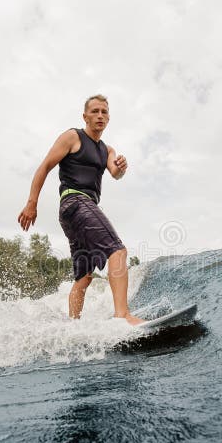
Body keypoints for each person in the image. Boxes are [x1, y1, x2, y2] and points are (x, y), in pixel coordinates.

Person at [18, 94, 145, 325]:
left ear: (108, 118)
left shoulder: (107, 150)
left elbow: (115, 173)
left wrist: (121, 169)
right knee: (117, 251)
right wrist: (31, 203)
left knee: (84, 277)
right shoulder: (73, 137)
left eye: (104, 112)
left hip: (74, 213)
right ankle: (123, 316)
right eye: (95, 111)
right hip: (75, 201)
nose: (99, 116)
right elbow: (45, 166)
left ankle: (73, 327)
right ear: (85, 116)